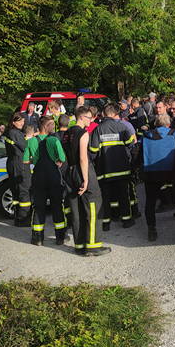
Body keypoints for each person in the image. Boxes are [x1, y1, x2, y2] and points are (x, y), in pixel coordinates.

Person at [63, 106, 109, 256]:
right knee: (94, 205)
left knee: (76, 209)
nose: (91, 120)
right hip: (82, 170)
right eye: (89, 117)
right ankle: (93, 246)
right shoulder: (83, 134)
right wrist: (86, 179)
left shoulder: (67, 133)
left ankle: (80, 245)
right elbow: (83, 157)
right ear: (82, 117)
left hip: (70, 171)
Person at [140, 113, 175, 241]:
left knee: (150, 202)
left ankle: (151, 229)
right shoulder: (174, 133)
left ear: (155, 124)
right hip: (171, 171)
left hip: (151, 172)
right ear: (169, 124)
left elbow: (138, 153)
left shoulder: (146, 136)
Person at [89, 103, 138, 231]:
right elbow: (130, 144)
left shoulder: (98, 129)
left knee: (105, 197)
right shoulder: (122, 127)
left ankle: (106, 223)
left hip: (105, 170)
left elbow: (93, 150)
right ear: (115, 114)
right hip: (122, 169)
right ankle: (126, 220)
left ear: (104, 114)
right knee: (123, 195)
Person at [25, 116, 68, 246]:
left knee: (39, 207)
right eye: (51, 125)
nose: (53, 127)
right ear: (45, 126)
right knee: (57, 207)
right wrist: (56, 161)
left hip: (39, 178)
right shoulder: (54, 140)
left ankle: (37, 238)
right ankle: (60, 238)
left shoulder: (31, 141)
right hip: (53, 177)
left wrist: (35, 160)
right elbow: (62, 158)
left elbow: (26, 160)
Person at [3, 113, 31, 226]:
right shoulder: (15, 133)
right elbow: (25, 147)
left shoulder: (10, 132)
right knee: (24, 191)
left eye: (23, 121)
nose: (22, 123)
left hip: (12, 163)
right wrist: (30, 138)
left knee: (15, 192)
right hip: (19, 164)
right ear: (13, 122)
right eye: (19, 121)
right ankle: (23, 219)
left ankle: (17, 217)